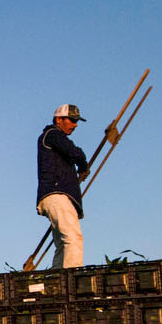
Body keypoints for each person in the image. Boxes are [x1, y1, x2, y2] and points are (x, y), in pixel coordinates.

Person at [36, 103, 90, 269]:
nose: (75, 125)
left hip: (54, 196)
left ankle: (57, 283)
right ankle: (72, 281)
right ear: (59, 119)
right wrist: (82, 165)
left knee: (62, 244)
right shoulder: (52, 134)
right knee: (73, 238)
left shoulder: (53, 138)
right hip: (56, 194)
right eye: (72, 120)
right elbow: (74, 152)